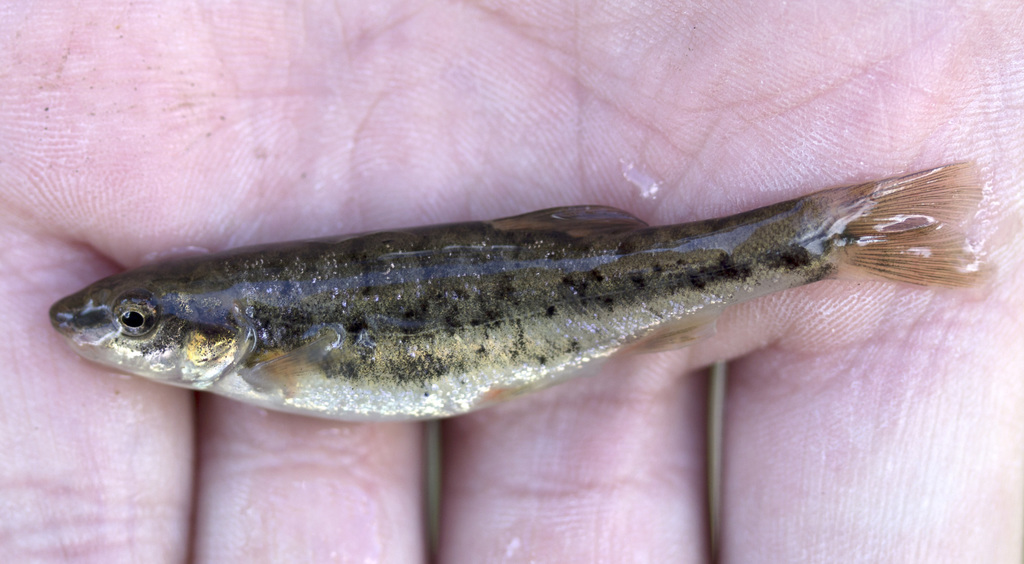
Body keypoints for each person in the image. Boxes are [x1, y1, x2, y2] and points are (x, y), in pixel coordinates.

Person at [1, 2, 1021, 562]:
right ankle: (821, 241)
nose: (102, 334)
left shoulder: (265, 348)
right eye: (125, 323)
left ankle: (827, 239)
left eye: (132, 323)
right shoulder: (252, 345)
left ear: (207, 328)